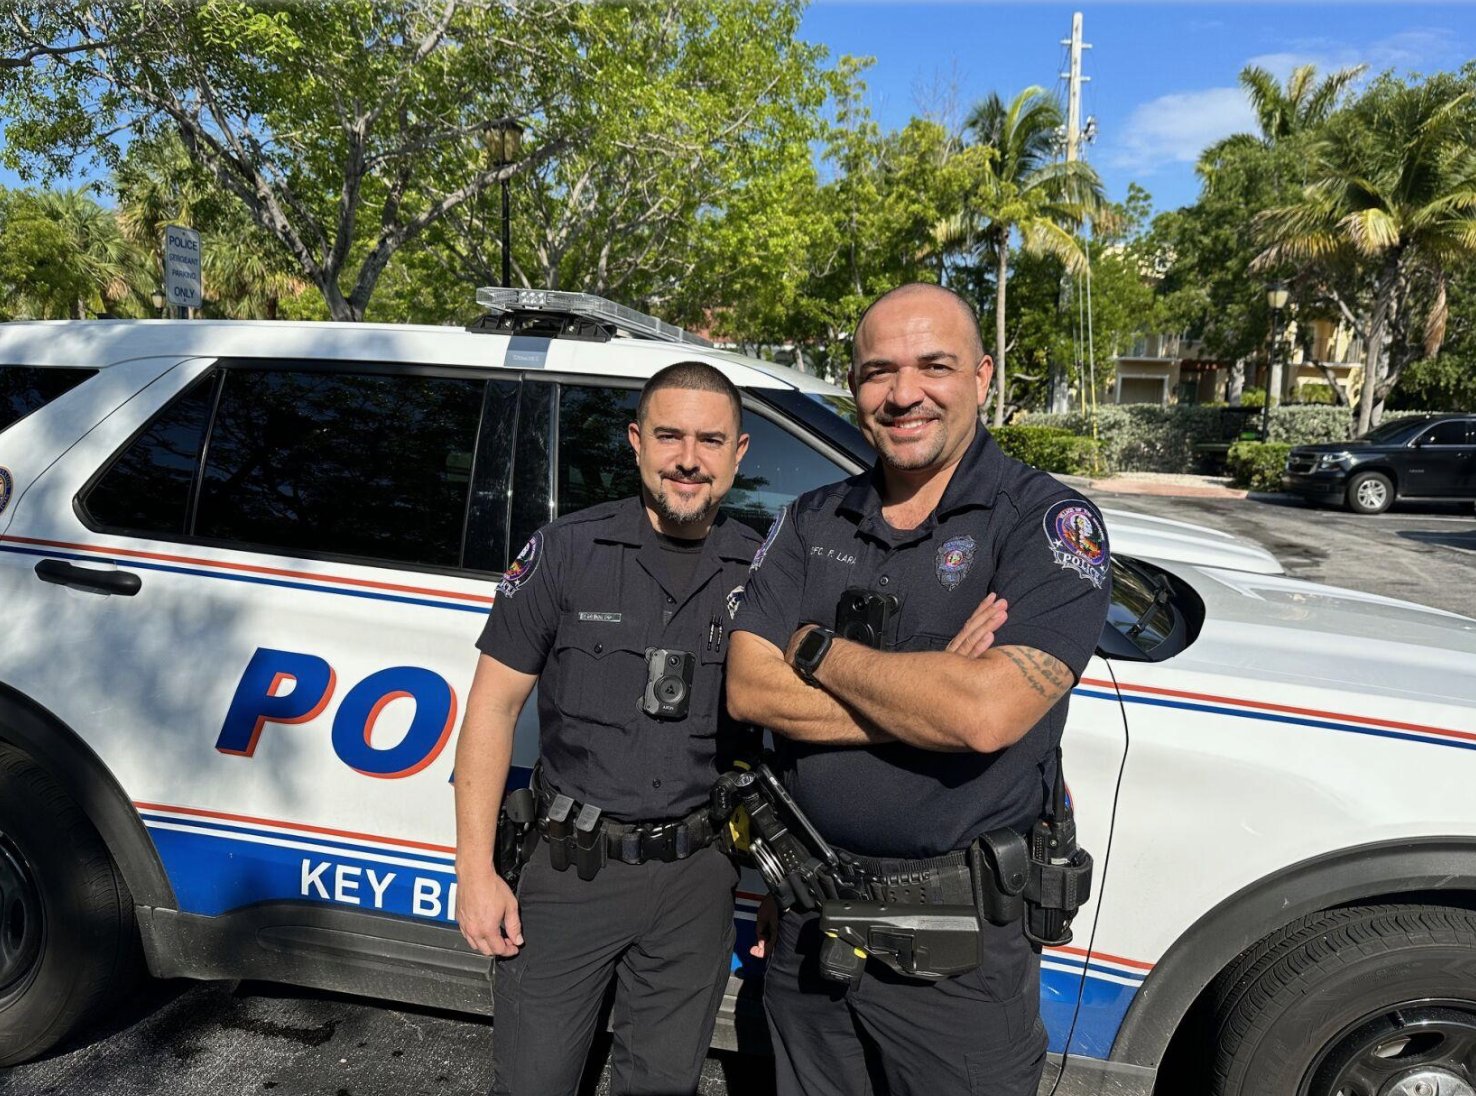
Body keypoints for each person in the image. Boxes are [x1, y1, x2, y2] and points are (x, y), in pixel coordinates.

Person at [727, 282, 1112, 1096]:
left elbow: (983, 715)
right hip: (808, 917)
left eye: (933, 366)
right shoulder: (811, 518)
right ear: (854, 388)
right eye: (878, 372)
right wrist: (926, 695)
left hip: (957, 955)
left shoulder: (1045, 523)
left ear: (982, 376)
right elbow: (751, 692)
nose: (904, 394)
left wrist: (816, 648)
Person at [453, 361, 762, 1095]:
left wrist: (775, 888)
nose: (689, 458)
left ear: (738, 453)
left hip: (698, 876)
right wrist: (475, 872)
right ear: (636, 441)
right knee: (534, 1083)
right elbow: (492, 710)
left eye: (711, 440)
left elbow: (786, 741)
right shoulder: (566, 551)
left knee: (662, 1086)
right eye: (669, 436)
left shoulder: (765, 568)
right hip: (569, 873)